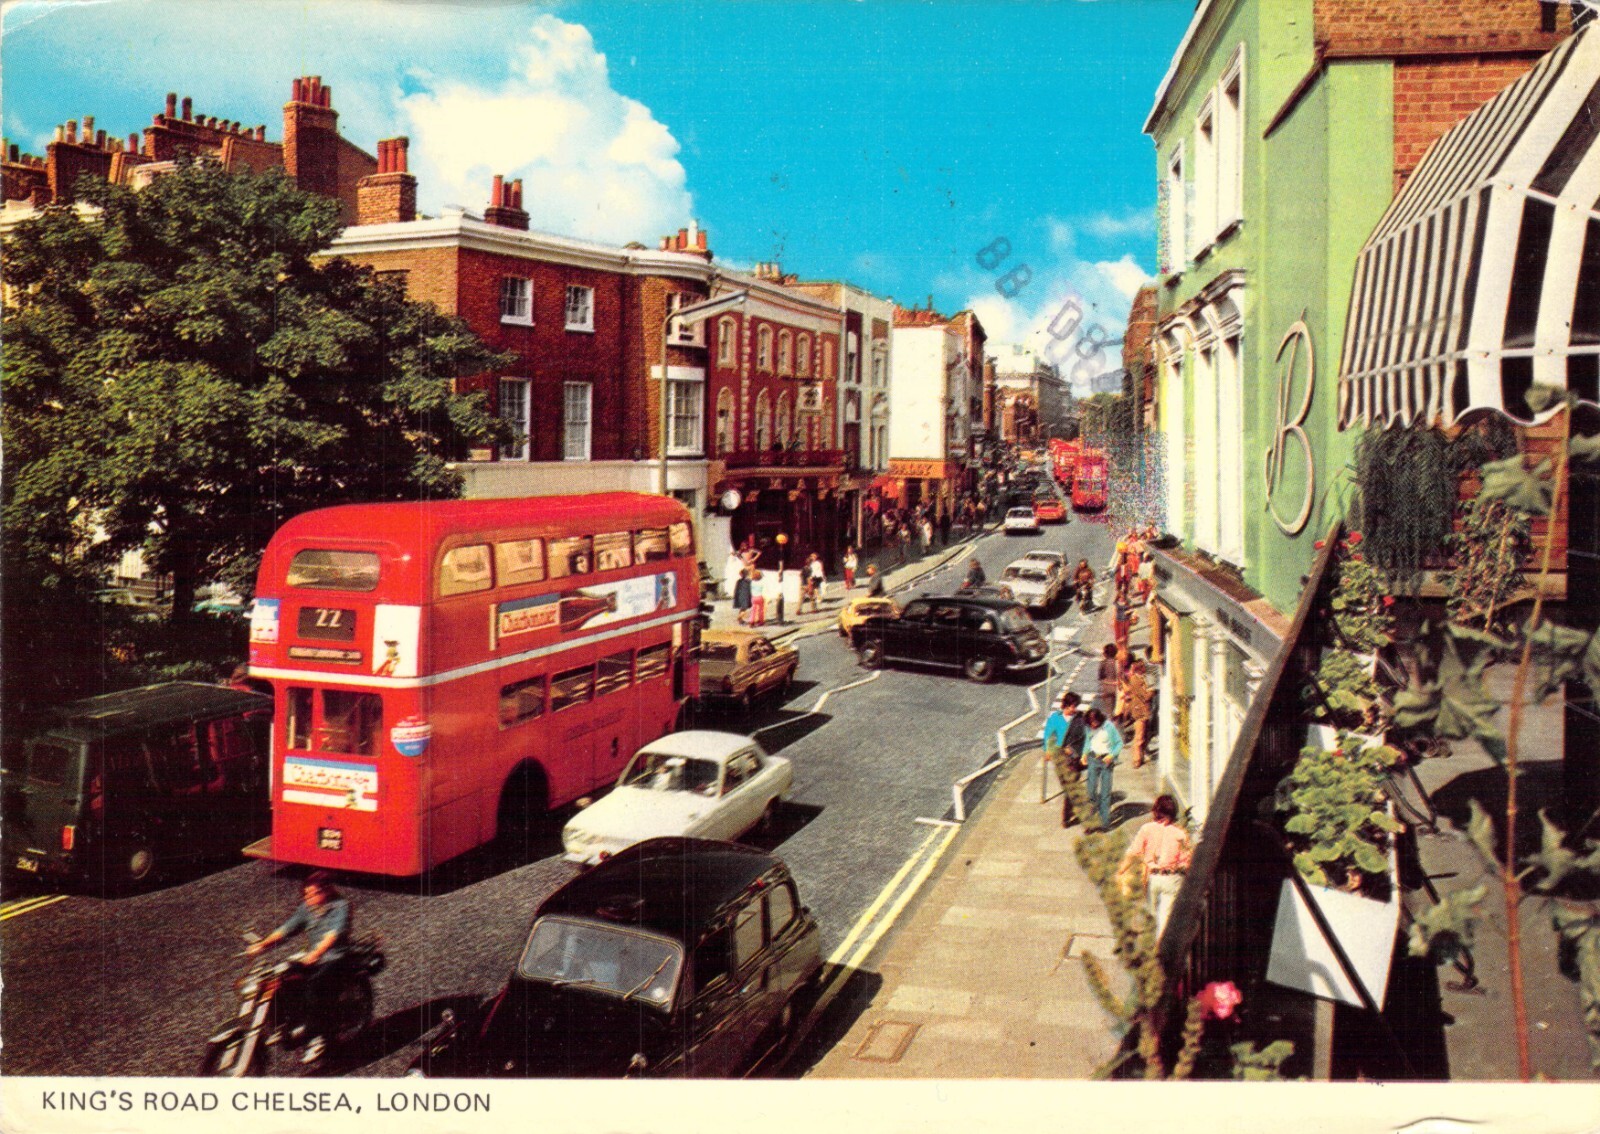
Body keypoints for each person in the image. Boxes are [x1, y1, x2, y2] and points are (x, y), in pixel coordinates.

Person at [248, 871, 351, 1063]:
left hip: (336, 958)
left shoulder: (340, 906)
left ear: (327, 891)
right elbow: (287, 929)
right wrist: (262, 944)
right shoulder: (307, 908)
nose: (308, 898)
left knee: (314, 988)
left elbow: (333, 935)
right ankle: (283, 1025)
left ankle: (319, 1037)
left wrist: (316, 953)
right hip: (313, 958)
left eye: (313, 894)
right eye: (306, 894)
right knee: (278, 980)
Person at [1121, 794, 1192, 936]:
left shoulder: (1147, 829)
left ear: (1156, 811)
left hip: (1152, 877)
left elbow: (1133, 852)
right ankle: (1160, 947)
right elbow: (1187, 862)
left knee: (1152, 912)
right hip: (1172, 878)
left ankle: (1149, 940)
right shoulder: (1180, 834)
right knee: (1165, 916)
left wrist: (1121, 870)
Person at [1043, 692, 1089, 827]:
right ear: (1065, 705)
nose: (1074, 709)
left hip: (1074, 757)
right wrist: (1047, 750)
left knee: (1071, 785)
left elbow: (1086, 738)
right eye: (1072, 707)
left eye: (1076, 706)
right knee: (1066, 785)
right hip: (1059, 756)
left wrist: (1082, 753)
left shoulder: (1080, 719)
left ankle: (1066, 816)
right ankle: (1072, 808)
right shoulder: (1055, 718)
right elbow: (1048, 735)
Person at [1083, 708, 1123, 828]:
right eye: (1090, 723)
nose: (1093, 725)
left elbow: (1119, 743)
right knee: (1090, 792)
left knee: (1105, 793)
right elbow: (1087, 742)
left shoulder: (1109, 727)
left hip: (1106, 761)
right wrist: (1084, 754)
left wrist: (1111, 755)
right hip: (1093, 759)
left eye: (1095, 722)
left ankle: (1104, 823)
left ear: (1099, 719)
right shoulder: (1088, 727)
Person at [1121, 657, 1154, 768]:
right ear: (1140, 669)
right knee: (1139, 736)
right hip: (1139, 711)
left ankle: (1141, 755)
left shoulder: (1143, 678)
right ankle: (1136, 759)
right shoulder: (1135, 680)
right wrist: (1151, 690)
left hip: (1144, 710)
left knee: (1144, 735)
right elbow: (1145, 696)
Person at [1096, 643, 1121, 713]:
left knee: (1109, 711)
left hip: (1107, 688)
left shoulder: (1103, 663)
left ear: (1105, 653)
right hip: (1118, 688)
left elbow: (1100, 677)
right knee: (1118, 710)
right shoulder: (1119, 662)